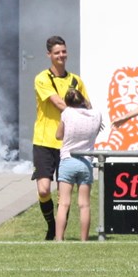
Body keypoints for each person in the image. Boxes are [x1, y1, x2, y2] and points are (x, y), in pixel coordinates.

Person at [32, 35, 88, 241]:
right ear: (49, 55)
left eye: (63, 51)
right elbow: (57, 102)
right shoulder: (42, 78)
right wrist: (79, 114)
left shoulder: (75, 80)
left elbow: (87, 104)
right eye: (57, 53)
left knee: (63, 193)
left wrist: (92, 118)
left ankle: (58, 234)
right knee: (43, 189)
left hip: (68, 143)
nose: (61, 55)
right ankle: (51, 225)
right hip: (44, 141)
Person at [54, 87, 105, 242]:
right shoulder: (96, 115)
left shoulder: (67, 113)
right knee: (84, 205)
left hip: (68, 160)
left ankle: (59, 239)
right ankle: (84, 240)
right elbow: (95, 133)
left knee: (63, 203)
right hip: (86, 162)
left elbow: (58, 135)